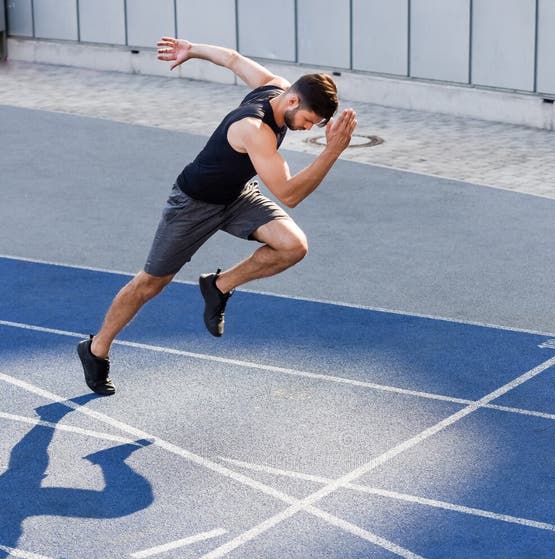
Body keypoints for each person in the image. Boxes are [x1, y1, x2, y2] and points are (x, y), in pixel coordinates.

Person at [78, 35, 357, 395]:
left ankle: (218, 285)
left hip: (237, 195)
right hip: (193, 205)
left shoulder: (276, 89)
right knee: (150, 284)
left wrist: (191, 49)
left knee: (293, 246)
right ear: (293, 99)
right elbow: (289, 193)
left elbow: (232, 57)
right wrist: (332, 152)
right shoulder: (254, 129)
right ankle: (96, 349)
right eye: (307, 119)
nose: (306, 128)